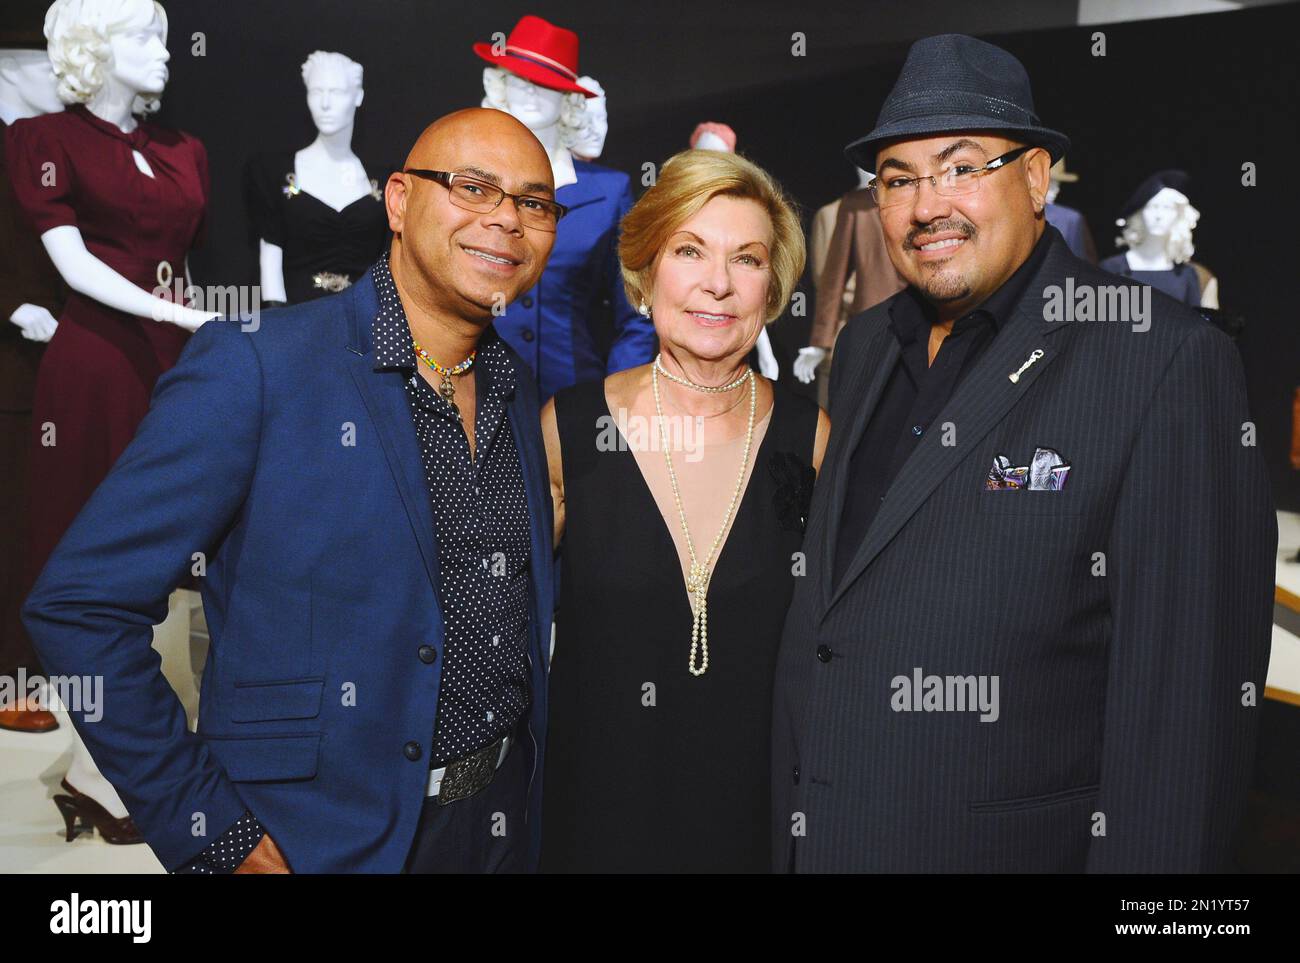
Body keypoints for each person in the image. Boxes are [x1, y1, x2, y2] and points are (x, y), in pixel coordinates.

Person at [771, 34, 1275, 872]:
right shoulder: (863, 348)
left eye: (962, 166)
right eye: (898, 179)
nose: (928, 203)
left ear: (1038, 178)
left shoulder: (1162, 359)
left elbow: (1185, 722)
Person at [23, 107, 560, 873]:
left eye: (533, 203)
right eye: (474, 188)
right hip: (322, 843)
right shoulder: (258, 366)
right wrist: (210, 827)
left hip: (501, 825)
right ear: (400, 201)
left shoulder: (516, 389)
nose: (506, 219)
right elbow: (77, 605)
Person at [540, 148, 830, 872]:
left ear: (772, 288)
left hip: (757, 828)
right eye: (690, 249)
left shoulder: (813, 437)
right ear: (645, 271)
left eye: (748, 259)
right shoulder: (569, 429)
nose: (718, 284)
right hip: (594, 824)